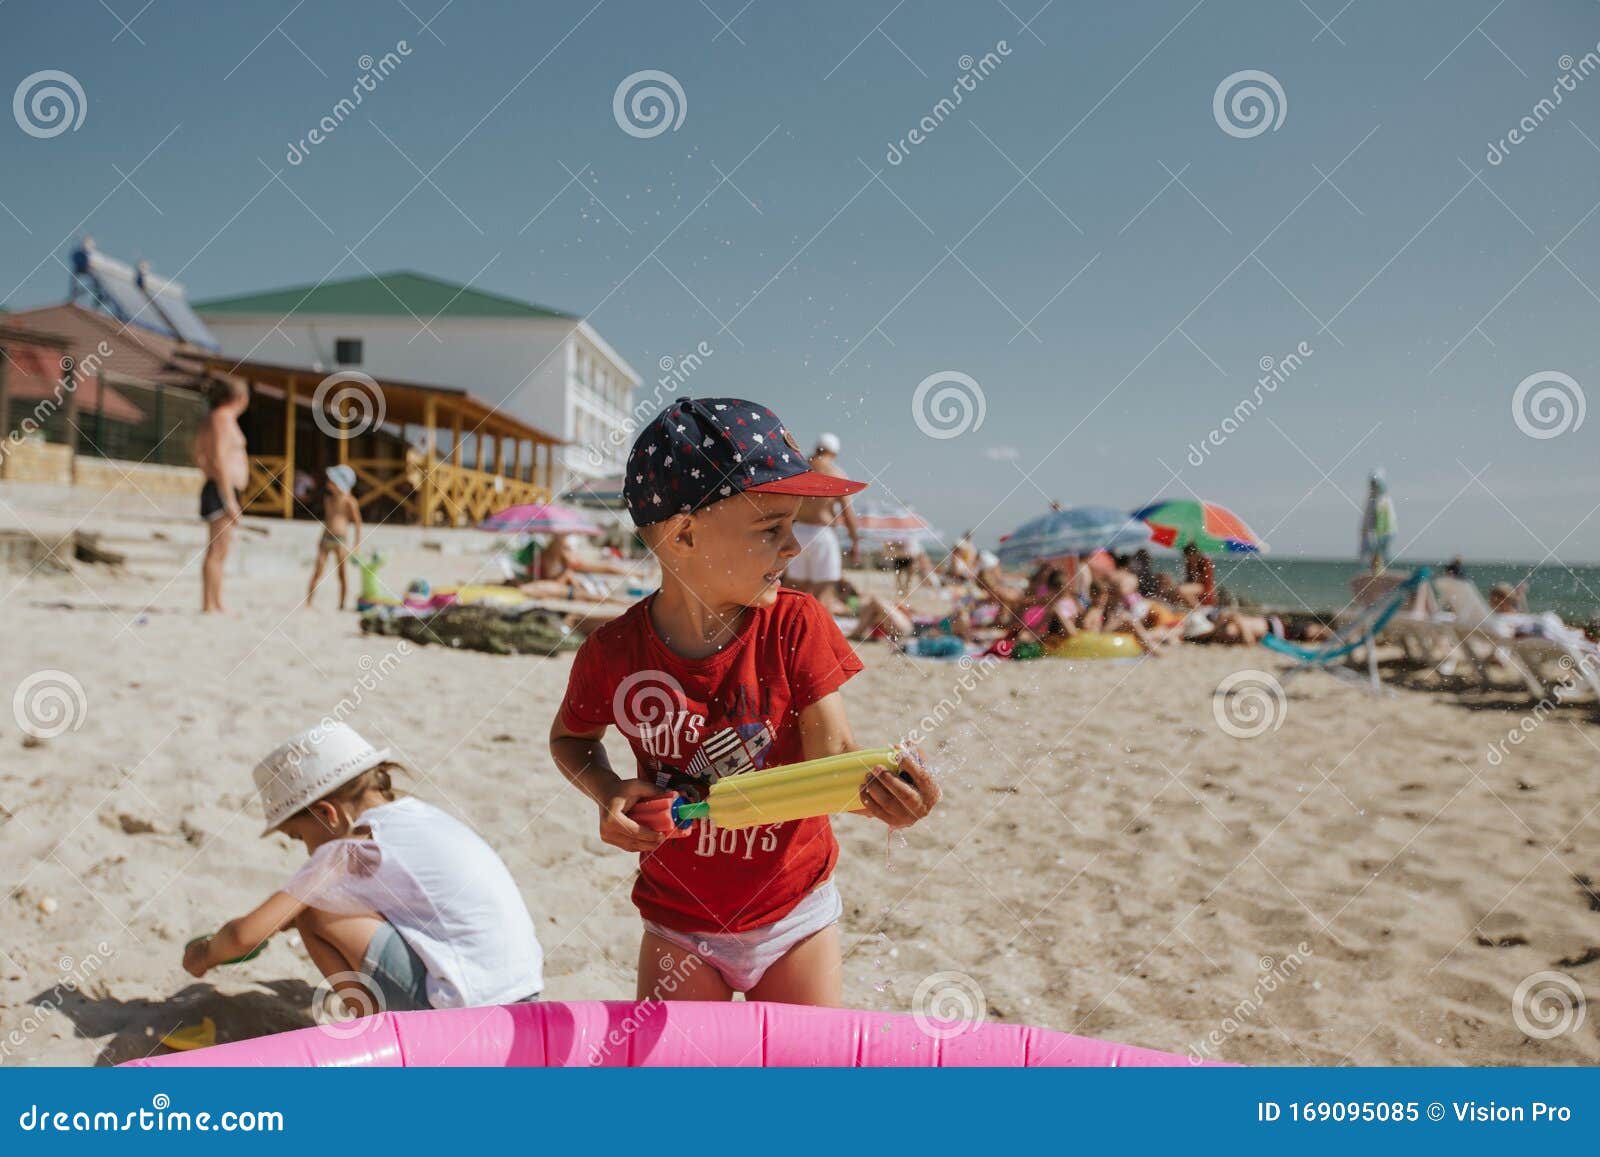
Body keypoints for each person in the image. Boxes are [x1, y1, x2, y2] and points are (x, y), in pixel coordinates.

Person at [549, 398, 939, 1006]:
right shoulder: (613, 651)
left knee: (803, 1074)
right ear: (684, 535)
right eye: (771, 530)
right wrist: (608, 792)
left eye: (794, 528)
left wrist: (889, 794)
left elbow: (833, 757)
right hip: (678, 919)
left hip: (793, 915)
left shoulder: (797, 625)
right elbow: (571, 740)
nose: (793, 548)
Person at [182, 723, 543, 1014]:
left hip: (467, 1011)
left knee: (314, 914)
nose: (304, 850)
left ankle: (382, 1037)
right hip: (522, 997)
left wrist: (205, 954)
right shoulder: (418, 819)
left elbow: (244, 936)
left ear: (327, 814)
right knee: (312, 906)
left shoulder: (349, 847)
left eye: (298, 837)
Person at [785, 432, 861, 612]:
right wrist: (855, 541)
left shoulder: (800, 468)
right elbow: (847, 513)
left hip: (796, 532)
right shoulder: (836, 474)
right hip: (821, 534)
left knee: (793, 591)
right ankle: (814, 634)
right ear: (834, 453)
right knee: (822, 594)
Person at [192, 378, 249, 614]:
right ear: (240, 398)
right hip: (222, 489)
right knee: (217, 549)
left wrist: (210, 473)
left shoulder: (212, 419)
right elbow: (219, 458)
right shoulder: (222, 419)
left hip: (218, 486)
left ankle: (215, 601)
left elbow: (197, 454)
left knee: (220, 549)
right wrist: (229, 499)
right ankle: (210, 604)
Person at [306, 465, 362, 610]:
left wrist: (357, 544)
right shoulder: (328, 499)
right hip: (325, 538)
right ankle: (308, 602)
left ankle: (342, 604)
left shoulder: (350, 502)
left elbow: (358, 524)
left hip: (340, 540)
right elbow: (328, 520)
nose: (328, 484)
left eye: (331, 481)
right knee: (317, 571)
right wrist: (320, 540)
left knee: (342, 573)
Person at [1178, 543, 1216, 608]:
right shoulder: (1189, 564)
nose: (1186, 559)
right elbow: (1188, 579)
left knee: (1181, 589)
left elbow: (1207, 580)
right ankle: (1196, 607)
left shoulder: (1205, 562)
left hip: (1204, 587)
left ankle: (1198, 609)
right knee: (1180, 591)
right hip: (1196, 587)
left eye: (1187, 556)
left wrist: (1195, 573)